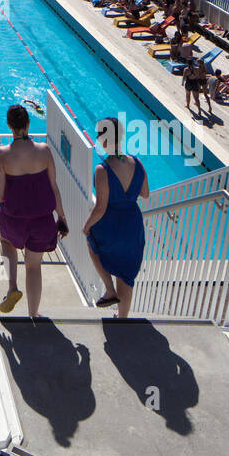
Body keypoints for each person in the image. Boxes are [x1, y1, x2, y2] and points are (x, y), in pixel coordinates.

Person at [0, 105, 68, 316]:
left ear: (10, 126)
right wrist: (62, 217)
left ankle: (12, 287)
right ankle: (33, 314)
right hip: (42, 221)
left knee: (6, 242)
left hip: (14, 219)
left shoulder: (2, 154)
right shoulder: (44, 151)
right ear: (28, 123)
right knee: (34, 267)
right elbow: (54, 188)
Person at [83, 116, 149, 319]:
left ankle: (109, 289)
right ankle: (122, 318)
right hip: (133, 225)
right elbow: (145, 193)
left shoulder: (102, 169)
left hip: (111, 225)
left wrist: (86, 226)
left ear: (104, 140)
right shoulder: (137, 163)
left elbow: (100, 207)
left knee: (91, 243)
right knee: (126, 276)